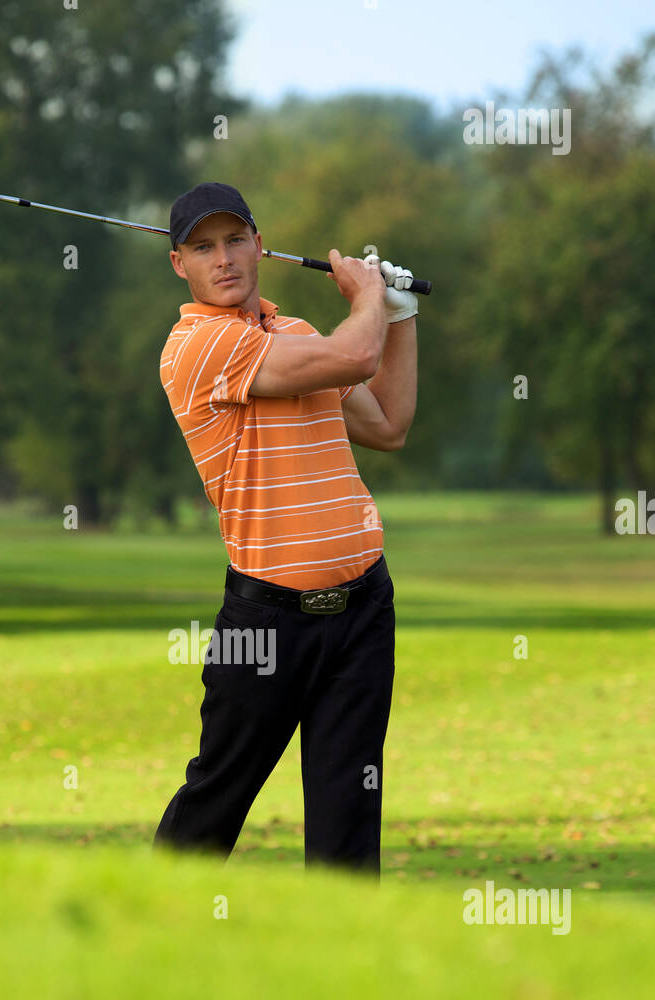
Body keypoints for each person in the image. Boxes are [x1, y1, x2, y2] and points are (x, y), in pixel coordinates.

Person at [154, 181, 418, 875]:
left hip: (363, 611)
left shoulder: (297, 336)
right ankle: (140, 937)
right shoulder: (197, 348)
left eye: (235, 240)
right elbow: (356, 356)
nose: (224, 260)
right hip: (265, 624)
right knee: (215, 802)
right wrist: (366, 302)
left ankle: (341, 971)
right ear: (179, 264)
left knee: (347, 817)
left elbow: (388, 425)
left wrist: (400, 311)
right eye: (203, 248)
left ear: (260, 243)